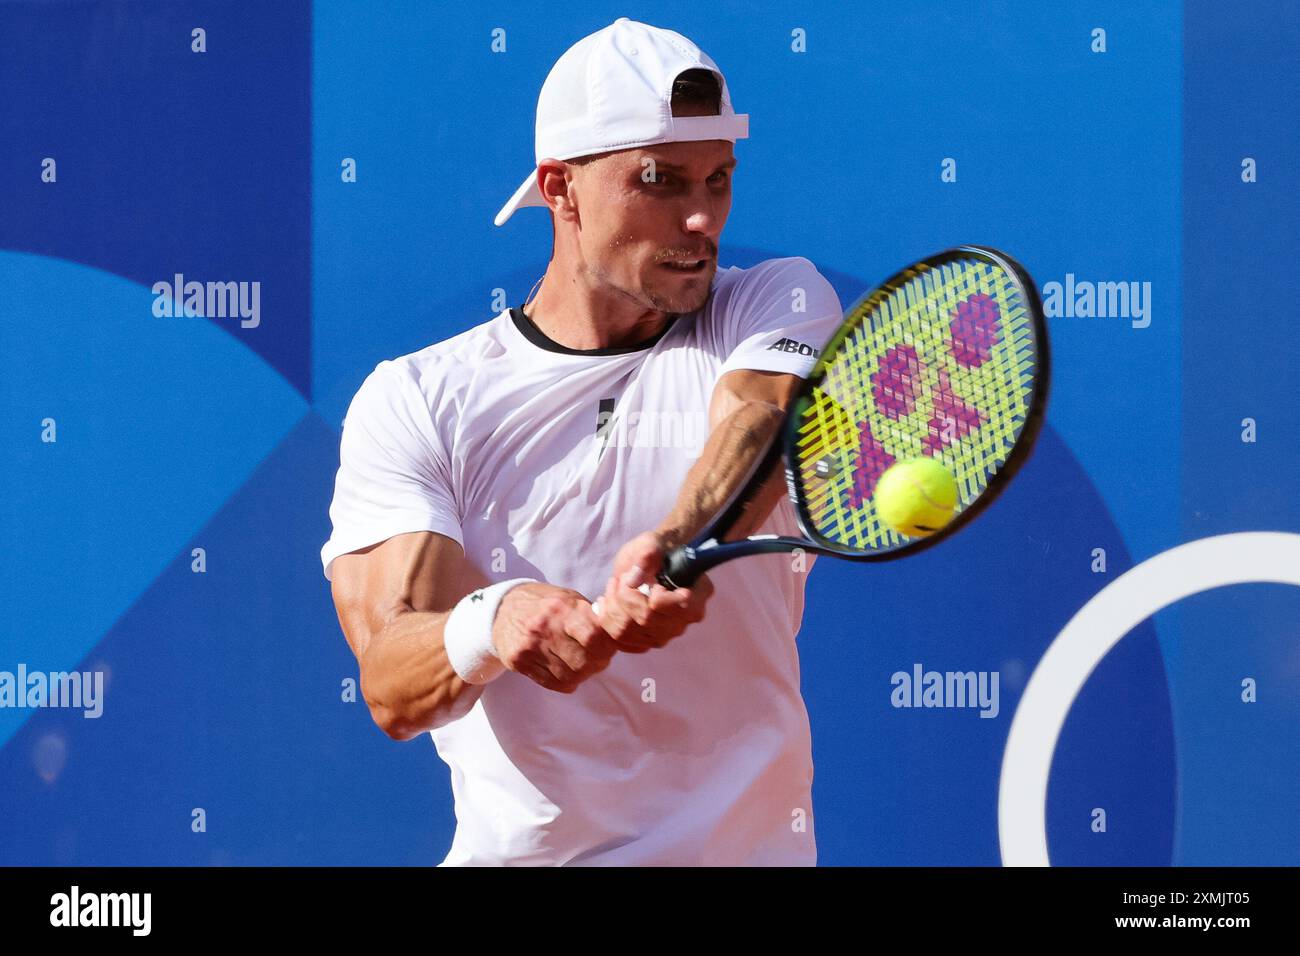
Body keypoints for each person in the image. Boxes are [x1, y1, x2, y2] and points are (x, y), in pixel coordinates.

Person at [321, 17, 843, 865]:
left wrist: (677, 543)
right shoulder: (417, 399)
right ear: (559, 189)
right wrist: (496, 619)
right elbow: (390, 679)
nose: (703, 217)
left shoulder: (776, 301)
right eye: (661, 182)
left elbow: (760, 417)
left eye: (719, 178)